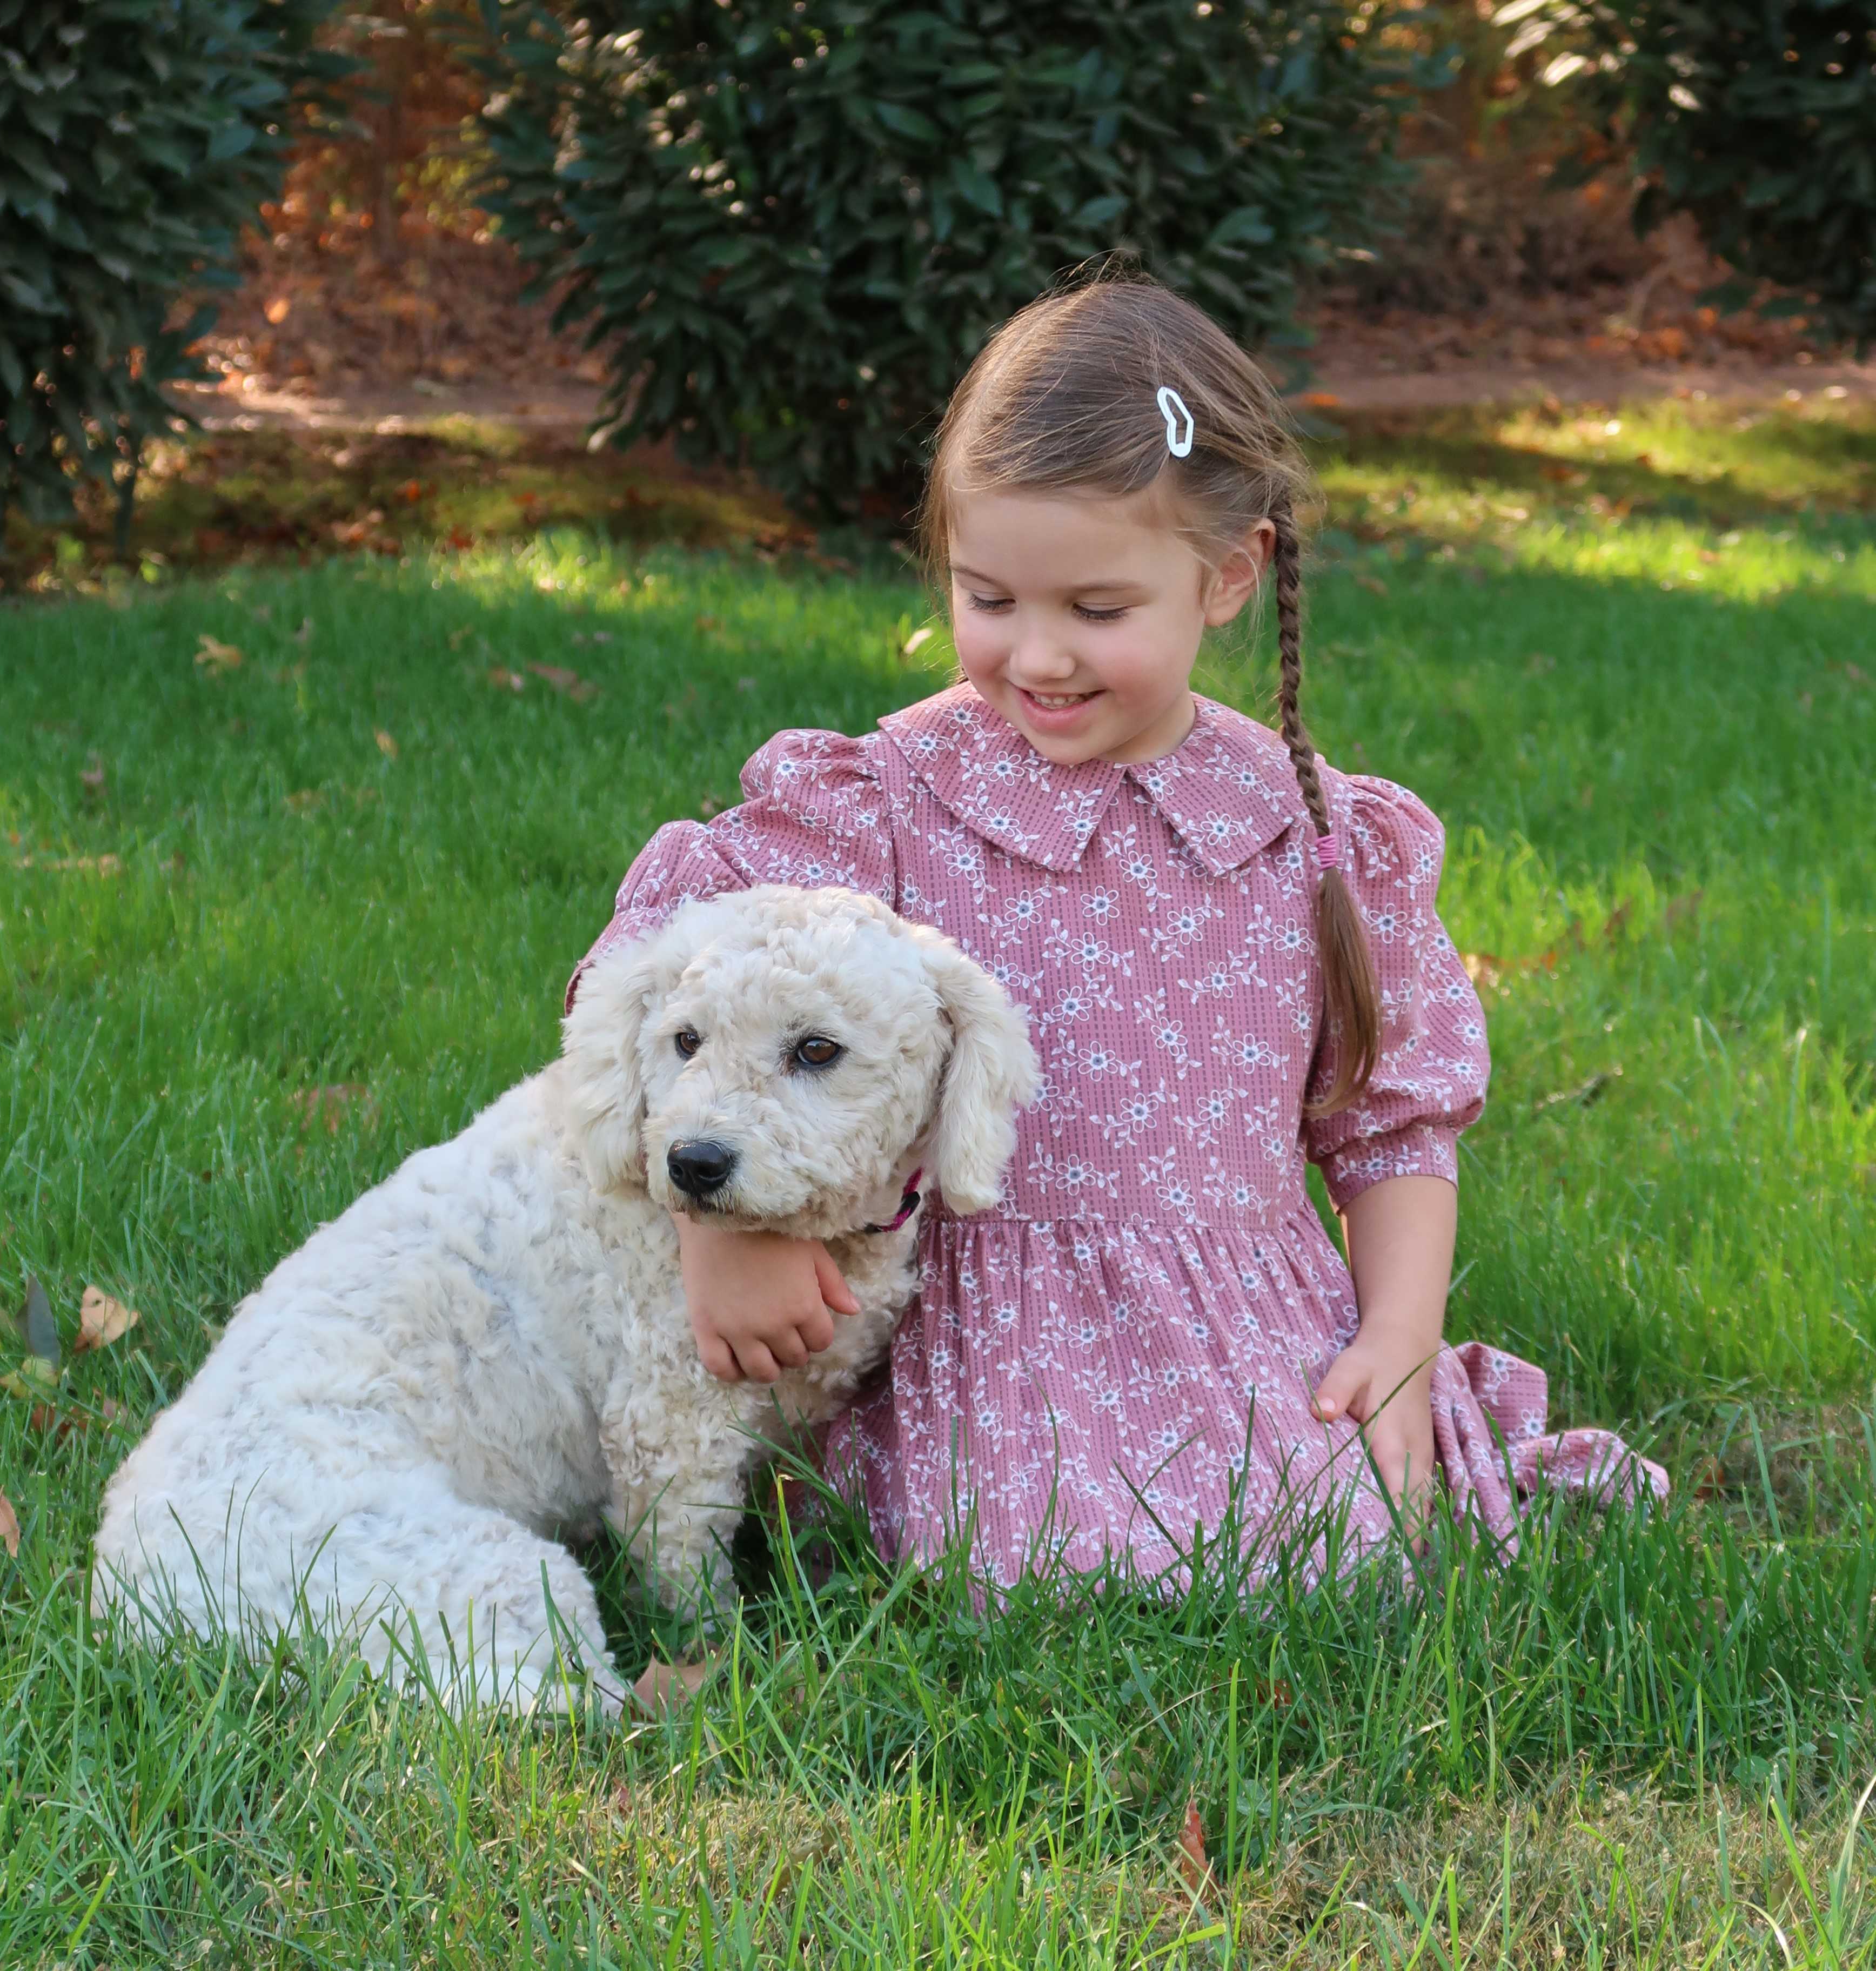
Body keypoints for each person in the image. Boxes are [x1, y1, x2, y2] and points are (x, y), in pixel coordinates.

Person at [570, 276, 1665, 1587]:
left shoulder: (1309, 835)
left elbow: (1393, 1126)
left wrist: (1400, 1341)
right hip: (967, 1339)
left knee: (1336, 1556)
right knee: (1024, 1564)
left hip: (1238, 1337)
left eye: (1097, 611)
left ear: (1227, 576)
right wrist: (728, 1230)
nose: (1039, 657)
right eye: (989, 599)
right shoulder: (882, 807)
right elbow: (656, 984)